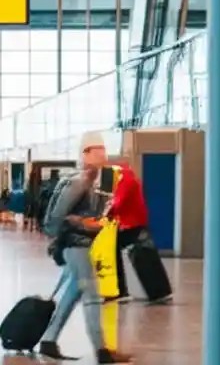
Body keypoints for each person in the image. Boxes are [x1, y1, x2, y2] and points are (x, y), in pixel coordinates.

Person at [38, 134, 131, 363]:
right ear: (85, 153)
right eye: (96, 149)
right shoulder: (78, 182)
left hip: (83, 244)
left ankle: (48, 340)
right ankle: (102, 351)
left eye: (103, 148)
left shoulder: (98, 181)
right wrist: (83, 223)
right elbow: (57, 218)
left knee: (73, 293)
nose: (102, 153)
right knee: (92, 295)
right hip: (74, 245)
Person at [105, 162, 150, 299]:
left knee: (111, 249)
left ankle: (120, 290)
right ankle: (120, 289)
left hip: (131, 225)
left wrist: (107, 213)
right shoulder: (129, 179)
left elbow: (118, 203)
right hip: (135, 224)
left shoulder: (125, 181)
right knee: (114, 249)